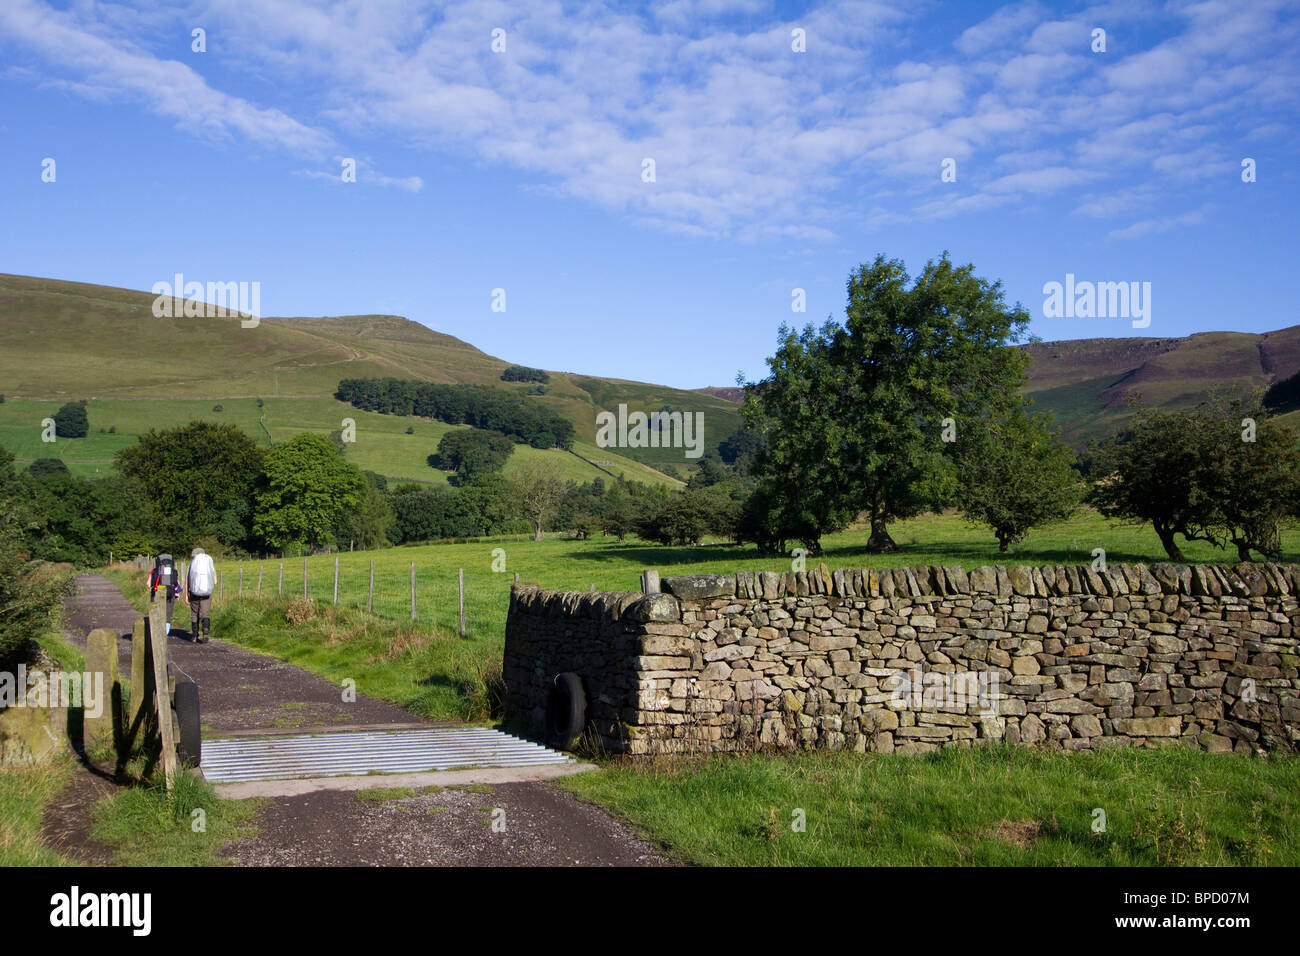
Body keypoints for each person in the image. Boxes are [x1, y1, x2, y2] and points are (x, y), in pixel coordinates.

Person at [186, 547, 216, 643]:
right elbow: (215, 581)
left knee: (194, 613)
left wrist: (187, 595)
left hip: (194, 593)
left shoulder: (192, 565)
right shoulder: (208, 565)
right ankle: (205, 633)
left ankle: (195, 635)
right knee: (205, 613)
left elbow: (188, 581)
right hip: (207, 593)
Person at [148, 553, 181, 635]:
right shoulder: (173, 571)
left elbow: (148, 584)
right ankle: (165, 633)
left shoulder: (154, 571)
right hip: (170, 594)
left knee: (157, 613)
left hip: (157, 594)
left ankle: (157, 633)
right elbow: (177, 584)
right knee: (168, 615)